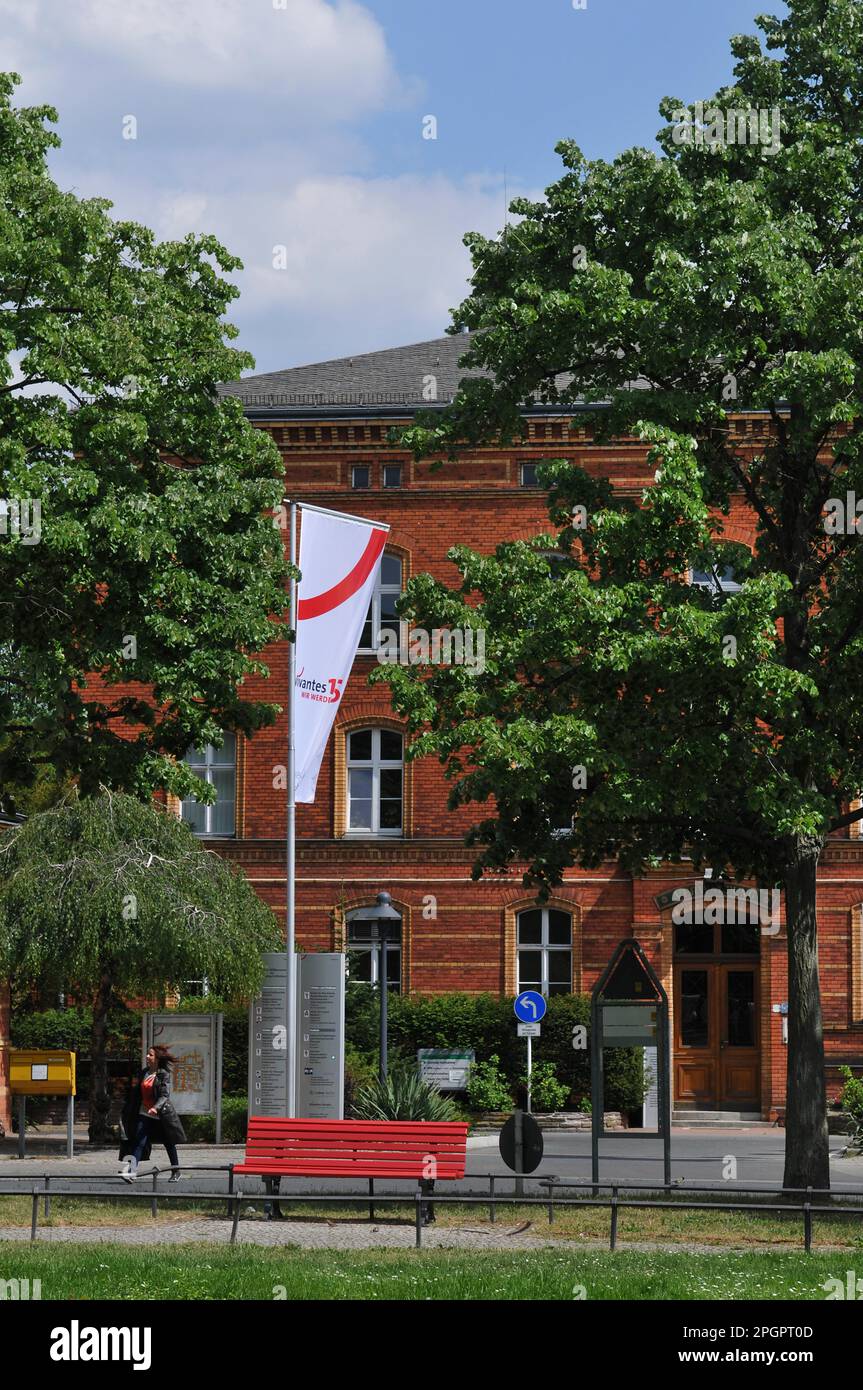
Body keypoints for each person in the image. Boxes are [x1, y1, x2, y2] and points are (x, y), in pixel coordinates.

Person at [119, 1045, 186, 1182]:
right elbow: (138, 1093)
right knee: (139, 1141)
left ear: (157, 1059)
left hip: (161, 1115)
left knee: (168, 1143)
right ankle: (131, 1172)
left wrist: (155, 1107)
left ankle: (176, 1171)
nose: (147, 1057)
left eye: (150, 1055)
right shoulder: (144, 1072)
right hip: (144, 1113)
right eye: (147, 1054)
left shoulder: (163, 1074)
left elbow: (164, 1095)